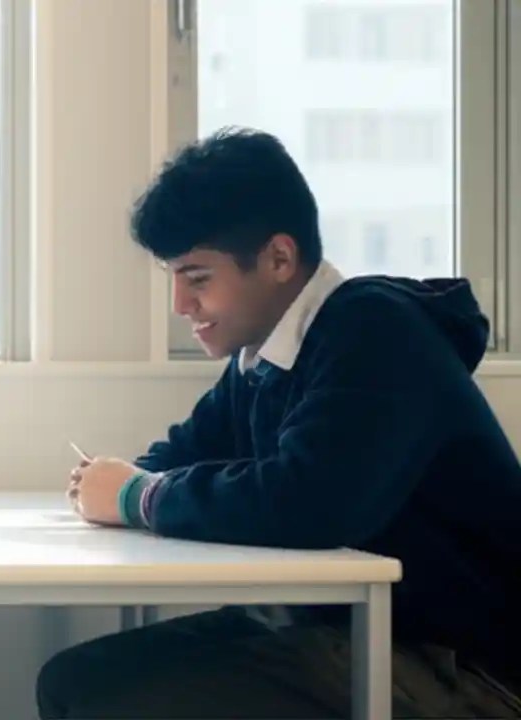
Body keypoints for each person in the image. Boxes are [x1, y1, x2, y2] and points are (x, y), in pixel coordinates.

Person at [38, 128, 521, 719]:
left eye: (197, 278)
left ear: (279, 259)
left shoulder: (373, 332)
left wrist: (137, 495)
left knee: (110, 700)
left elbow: (307, 500)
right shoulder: (262, 359)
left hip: (463, 664)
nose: (180, 306)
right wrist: (123, 484)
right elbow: (183, 455)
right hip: (344, 630)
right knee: (73, 680)